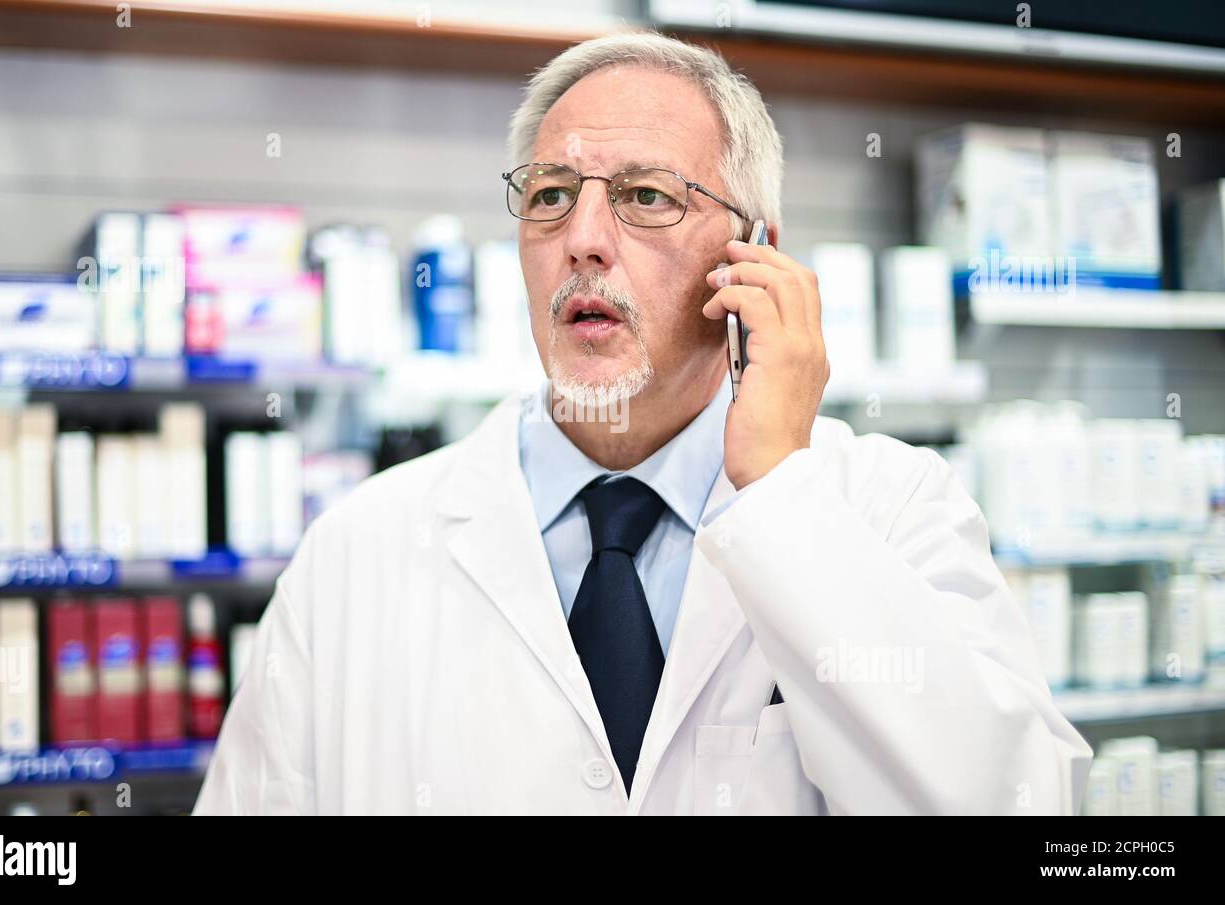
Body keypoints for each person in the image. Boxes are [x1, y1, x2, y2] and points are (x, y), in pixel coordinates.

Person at [193, 30, 1091, 815]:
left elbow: (1017, 806)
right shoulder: (357, 550)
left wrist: (780, 491)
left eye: (646, 196)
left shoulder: (890, 511)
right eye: (549, 194)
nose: (582, 236)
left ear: (753, 256)